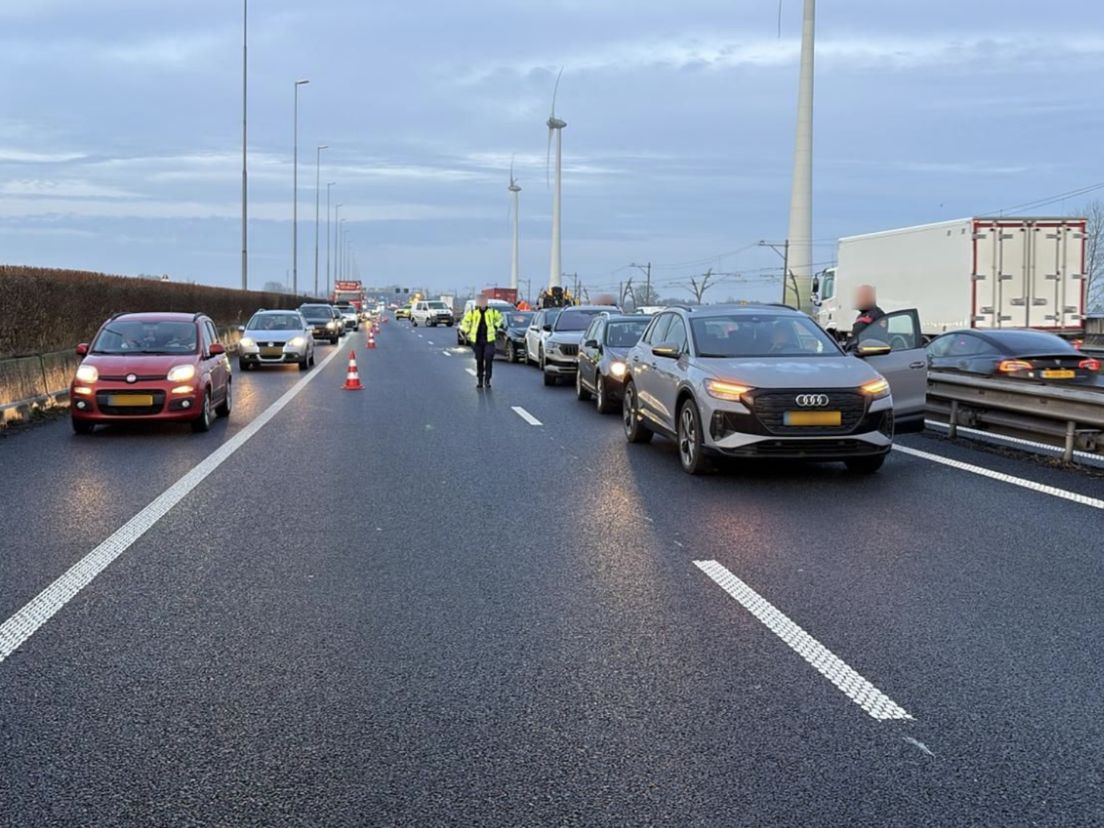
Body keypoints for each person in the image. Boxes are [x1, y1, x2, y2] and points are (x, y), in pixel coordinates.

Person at [459, 296, 504, 388]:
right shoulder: (473, 313)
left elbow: (501, 318)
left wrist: (496, 326)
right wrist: (467, 330)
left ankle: (487, 379)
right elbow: (465, 322)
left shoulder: (492, 312)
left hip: (489, 340)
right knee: (479, 360)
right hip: (477, 340)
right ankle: (480, 380)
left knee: (488, 358)